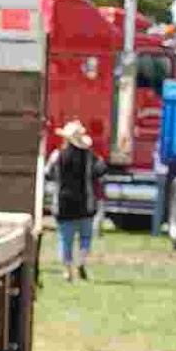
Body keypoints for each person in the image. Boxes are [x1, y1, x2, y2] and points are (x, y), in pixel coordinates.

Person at [45, 120, 106, 282]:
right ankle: (81, 262)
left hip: (63, 204)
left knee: (65, 240)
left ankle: (67, 270)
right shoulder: (89, 156)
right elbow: (101, 169)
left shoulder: (57, 155)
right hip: (85, 204)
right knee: (85, 238)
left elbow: (47, 173)